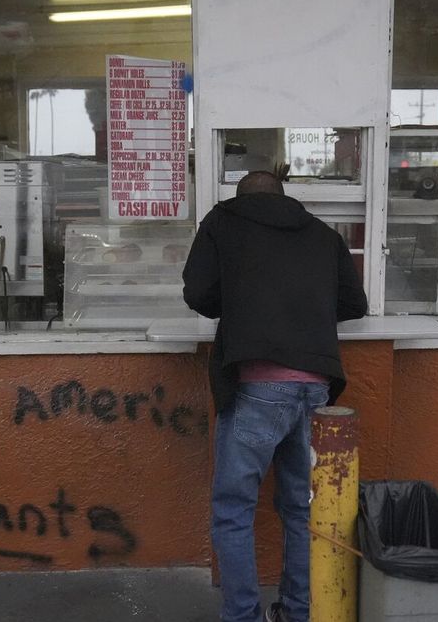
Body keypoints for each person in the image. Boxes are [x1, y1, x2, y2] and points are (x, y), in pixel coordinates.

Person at [183, 171, 368, 622]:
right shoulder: (323, 234)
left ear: (238, 198)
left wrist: (241, 303)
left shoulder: (221, 222)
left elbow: (198, 292)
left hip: (256, 386)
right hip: (316, 389)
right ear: (285, 198)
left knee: (233, 511)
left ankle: (242, 616)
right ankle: (298, 612)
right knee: (301, 509)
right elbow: (354, 304)